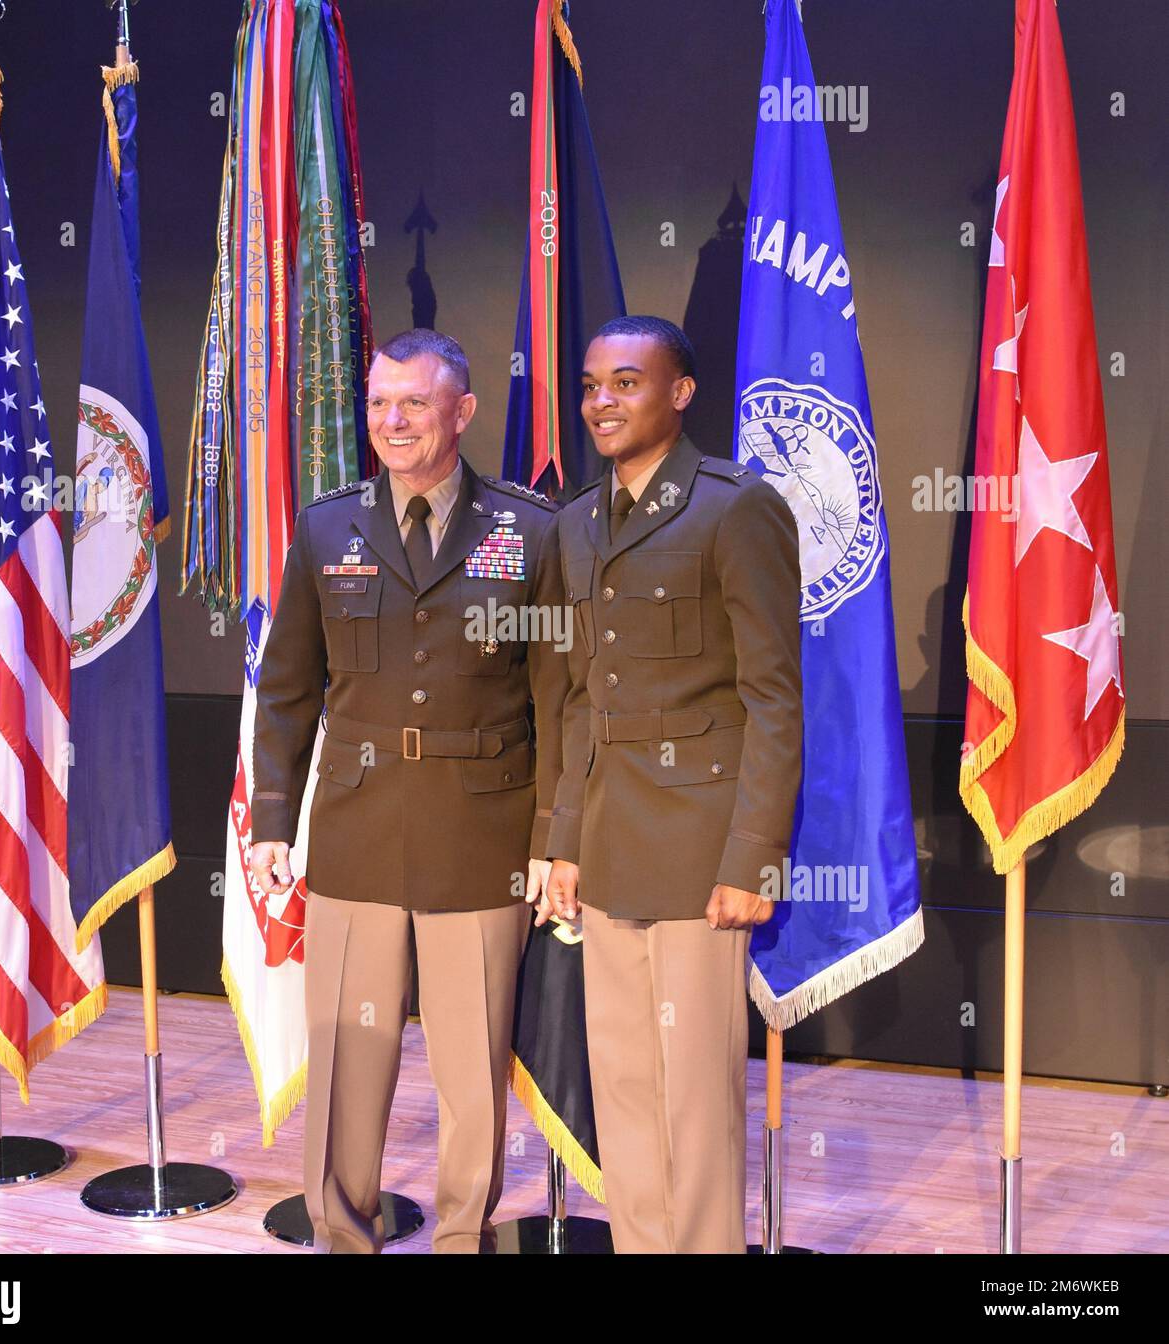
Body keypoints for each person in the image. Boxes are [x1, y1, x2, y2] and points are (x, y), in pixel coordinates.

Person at [248, 329, 566, 1253]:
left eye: (414, 403)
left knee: (473, 1069)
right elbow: (288, 687)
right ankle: (343, 1234)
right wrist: (275, 818)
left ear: (461, 412)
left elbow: (559, 695)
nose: (391, 421)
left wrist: (553, 836)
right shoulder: (326, 525)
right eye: (380, 403)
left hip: (483, 830)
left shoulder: (530, 528)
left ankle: (464, 1236)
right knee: (352, 1057)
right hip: (359, 823)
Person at [543, 315, 803, 1254]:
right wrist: (562, 839)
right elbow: (578, 700)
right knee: (622, 1086)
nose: (601, 403)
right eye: (590, 385)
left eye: (626, 383)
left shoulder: (736, 508)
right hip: (609, 843)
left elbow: (774, 700)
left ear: (680, 393)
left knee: (694, 1096)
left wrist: (751, 859)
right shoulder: (577, 521)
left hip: (701, 849)